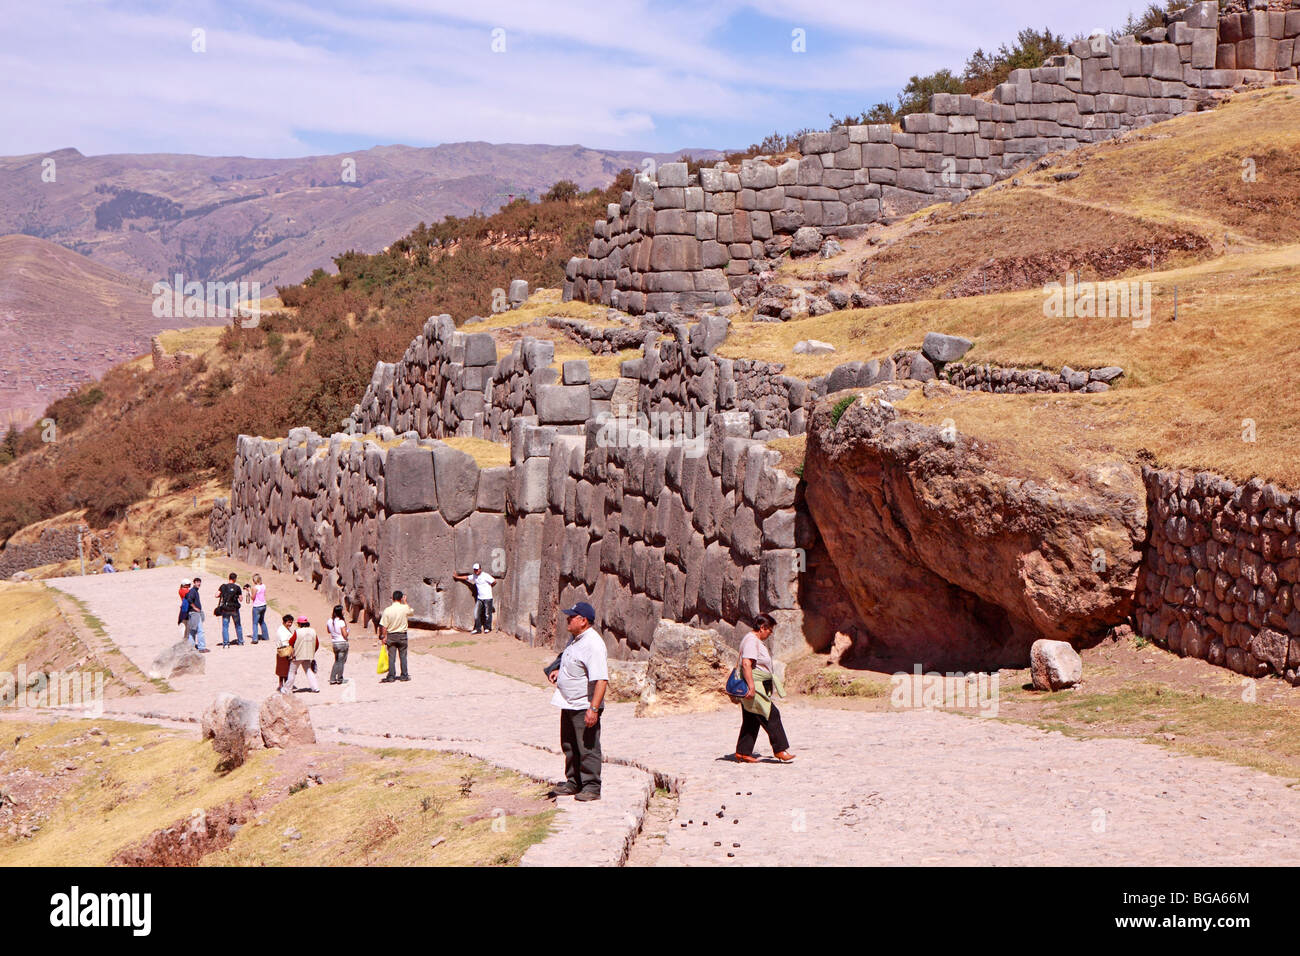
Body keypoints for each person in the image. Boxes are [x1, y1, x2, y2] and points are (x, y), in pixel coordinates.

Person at [545, 601, 608, 802]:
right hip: (568, 703)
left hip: (584, 706)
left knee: (587, 747)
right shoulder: (575, 640)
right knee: (570, 744)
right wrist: (558, 672)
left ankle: (591, 786)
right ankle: (574, 781)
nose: (567, 620)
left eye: (571, 617)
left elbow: (601, 680)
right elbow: (572, 662)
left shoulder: (593, 644)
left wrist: (594, 708)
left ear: (583, 621)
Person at [733, 614, 794, 763]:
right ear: (762, 628)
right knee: (771, 714)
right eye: (770, 630)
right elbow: (747, 664)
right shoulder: (751, 641)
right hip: (755, 684)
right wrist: (752, 687)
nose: (770, 633)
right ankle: (780, 749)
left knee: (751, 718)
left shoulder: (752, 640)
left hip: (755, 683)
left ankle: (743, 752)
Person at [454, 563, 503, 634]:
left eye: (477, 570)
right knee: (476, 613)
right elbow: (466, 577)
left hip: (488, 598)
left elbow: (494, 581)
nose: (476, 571)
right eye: (475, 570)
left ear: (480, 569)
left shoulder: (485, 575)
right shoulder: (474, 576)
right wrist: (457, 577)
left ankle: (487, 628)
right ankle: (478, 629)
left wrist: (489, 587)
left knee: (487, 614)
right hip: (480, 598)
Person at [377, 590, 414, 684]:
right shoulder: (404, 608)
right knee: (403, 656)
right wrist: (405, 602)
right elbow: (411, 612)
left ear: (392, 598)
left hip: (391, 635)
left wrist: (383, 636)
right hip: (402, 635)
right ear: (401, 598)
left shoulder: (387, 610)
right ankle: (404, 675)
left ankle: (391, 676)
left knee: (391, 657)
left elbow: (384, 625)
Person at [286, 616, 320, 693]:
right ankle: (315, 687)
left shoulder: (297, 632)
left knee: (292, 672)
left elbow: (291, 642)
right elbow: (317, 644)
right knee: (308, 671)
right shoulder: (313, 631)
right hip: (308, 655)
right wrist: (312, 652)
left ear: (299, 624)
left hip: (298, 655)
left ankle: (287, 689)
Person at [216, 572, 245, 647]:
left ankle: (226, 643)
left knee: (225, 626)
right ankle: (240, 642)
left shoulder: (223, 586)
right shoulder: (237, 587)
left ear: (229, 578)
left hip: (225, 609)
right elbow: (241, 599)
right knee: (238, 625)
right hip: (234, 609)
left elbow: (216, 595)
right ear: (235, 579)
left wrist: (222, 595)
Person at [326, 605, 350, 684]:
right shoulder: (341, 621)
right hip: (342, 643)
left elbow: (329, 631)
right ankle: (339, 678)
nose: (344, 612)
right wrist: (348, 631)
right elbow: (345, 634)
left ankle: (333, 678)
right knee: (341, 662)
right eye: (343, 610)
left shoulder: (329, 621)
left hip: (335, 643)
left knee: (337, 661)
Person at [185, 577, 209, 653]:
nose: (199, 583)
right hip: (194, 613)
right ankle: (201, 647)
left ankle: (191, 647)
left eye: (199, 582)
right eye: (197, 582)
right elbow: (189, 600)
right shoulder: (193, 591)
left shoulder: (195, 591)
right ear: (194, 583)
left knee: (193, 631)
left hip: (192, 613)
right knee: (200, 631)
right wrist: (195, 608)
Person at [275, 614, 296, 693]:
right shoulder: (282, 631)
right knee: (284, 670)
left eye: (291, 622)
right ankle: (282, 686)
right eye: (288, 622)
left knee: (283, 671)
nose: (290, 624)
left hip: (283, 652)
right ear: (284, 622)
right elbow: (285, 643)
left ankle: (282, 685)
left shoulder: (285, 629)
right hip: (284, 651)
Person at [247, 573, 269, 644]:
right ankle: (266, 636)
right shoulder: (263, 586)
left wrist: (249, 591)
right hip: (263, 605)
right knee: (262, 621)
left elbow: (252, 597)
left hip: (257, 607)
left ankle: (255, 639)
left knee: (255, 623)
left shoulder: (255, 588)